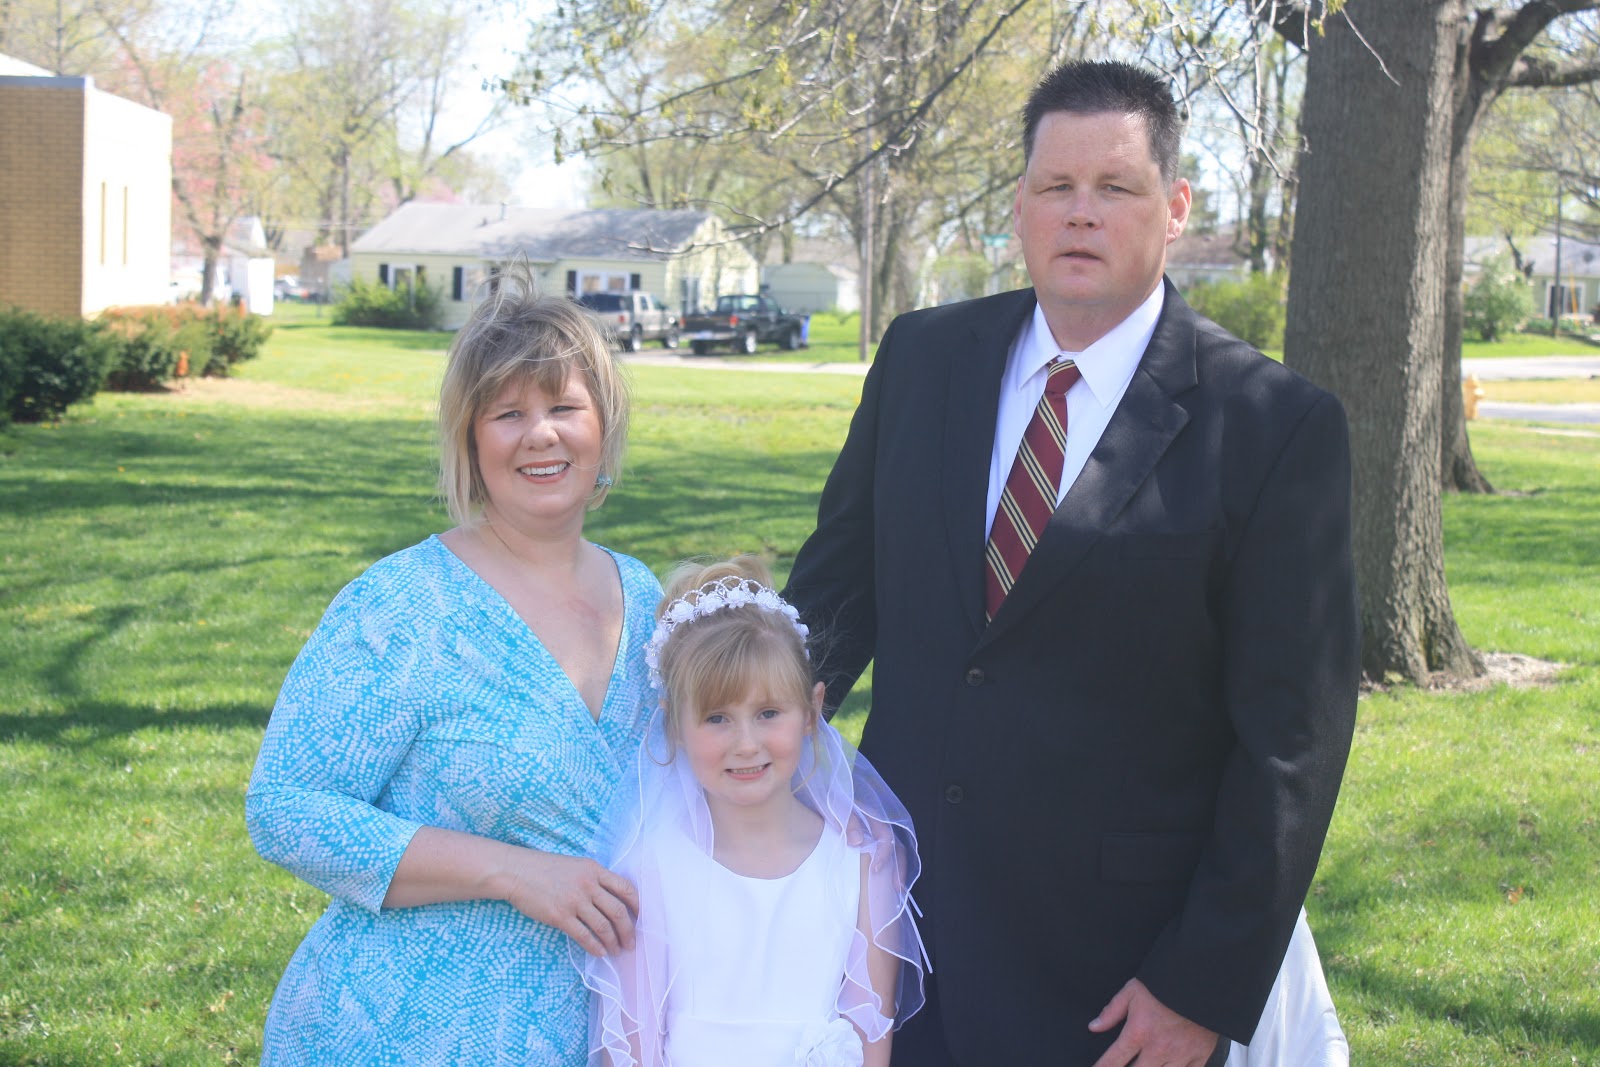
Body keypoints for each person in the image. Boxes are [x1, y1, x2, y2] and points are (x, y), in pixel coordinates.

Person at [784, 59, 1360, 1066]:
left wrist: (1203, 983)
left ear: (1174, 205)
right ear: (1019, 204)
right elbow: (831, 600)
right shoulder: (922, 360)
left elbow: (1291, 739)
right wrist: (733, 757)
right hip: (893, 934)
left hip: (1114, 984)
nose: (1080, 214)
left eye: (1116, 187)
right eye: (1056, 187)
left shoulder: (1270, 424)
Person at [245, 274, 662, 1065]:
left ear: (603, 426)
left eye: (564, 407)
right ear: (472, 440)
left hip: (603, 1029)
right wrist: (512, 871)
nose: (541, 434)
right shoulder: (402, 605)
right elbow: (285, 807)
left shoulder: (641, 598)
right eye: (509, 414)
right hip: (397, 1030)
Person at [582, 556, 928, 1067]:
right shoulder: (652, 864)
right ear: (674, 725)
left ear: (812, 711)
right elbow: (631, 1046)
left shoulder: (863, 858)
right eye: (717, 718)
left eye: (768, 713)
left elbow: (870, 1034)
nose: (746, 744)